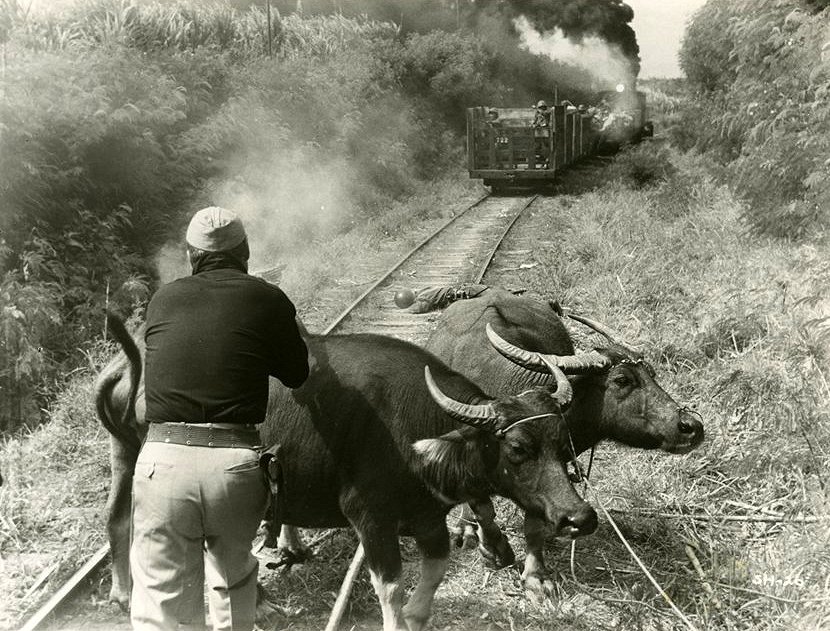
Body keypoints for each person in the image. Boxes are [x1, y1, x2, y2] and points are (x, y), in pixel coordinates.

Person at [131, 206, 310, 631]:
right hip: (232, 465)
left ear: (191, 256)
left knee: (161, 600)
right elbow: (298, 375)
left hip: (161, 461)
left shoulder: (163, 298)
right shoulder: (268, 297)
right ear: (245, 251)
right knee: (232, 585)